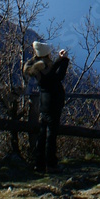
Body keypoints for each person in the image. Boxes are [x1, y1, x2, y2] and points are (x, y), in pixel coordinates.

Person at [23, 41, 70, 172]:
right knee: (51, 134)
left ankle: (39, 163)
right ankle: (51, 164)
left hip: (45, 103)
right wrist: (62, 60)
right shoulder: (43, 69)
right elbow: (55, 76)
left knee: (43, 133)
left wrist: (61, 60)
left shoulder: (36, 67)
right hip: (52, 103)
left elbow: (54, 73)